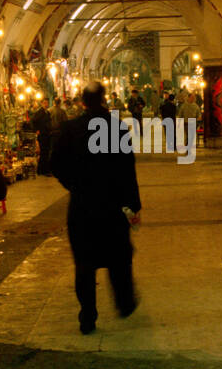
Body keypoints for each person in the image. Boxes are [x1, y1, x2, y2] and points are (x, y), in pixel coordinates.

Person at [50, 81, 141, 334]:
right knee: (119, 258)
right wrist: (133, 205)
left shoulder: (71, 129)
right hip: (112, 206)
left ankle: (87, 316)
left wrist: (74, 184)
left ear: (82, 102)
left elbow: (55, 164)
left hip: (82, 207)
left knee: (84, 263)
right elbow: (127, 168)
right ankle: (125, 303)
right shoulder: (117, 128)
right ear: (103, 100)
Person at [31, 97, 52, 175]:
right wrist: (36, 130)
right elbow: (33, 121)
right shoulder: (39, 112)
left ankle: (41, 170)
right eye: (45, 103)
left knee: (45, 152)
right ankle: (43, 170)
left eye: (47, 102)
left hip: (47, 134)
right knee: (43, 152)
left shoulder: (47, 112)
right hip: (42, 135)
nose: (46, 104)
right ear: (42, 103)